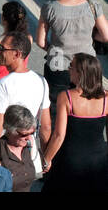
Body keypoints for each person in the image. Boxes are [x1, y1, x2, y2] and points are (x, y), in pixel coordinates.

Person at [36, 0, 108, 99]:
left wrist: (53, 49)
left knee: (57, 108)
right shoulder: (93, 7)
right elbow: (105, 36)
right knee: (86, 106)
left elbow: (41, 42)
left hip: (58, 66)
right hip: (87, 68)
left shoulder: (49, 8)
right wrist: (91, 36)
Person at [42, 53, 108, 192]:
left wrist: (46, 160)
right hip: (98, 161)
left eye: (71, 66)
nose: (68, 69)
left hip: (71, 160)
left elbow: (59, 136)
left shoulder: (66, 97)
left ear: (80, 73)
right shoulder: (106, 99)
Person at [0, 31, 52, 154]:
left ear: (17, 54)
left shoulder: (3, 84)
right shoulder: (42, 81)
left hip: (6, 152)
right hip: (28, 152)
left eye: (2, 48)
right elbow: (46, 127)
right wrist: (45, 158)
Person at [0, 105, 42, 193]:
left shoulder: (29, 144)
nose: (28, 138)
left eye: (32, 133)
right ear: (10, 130)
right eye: (24, 134)